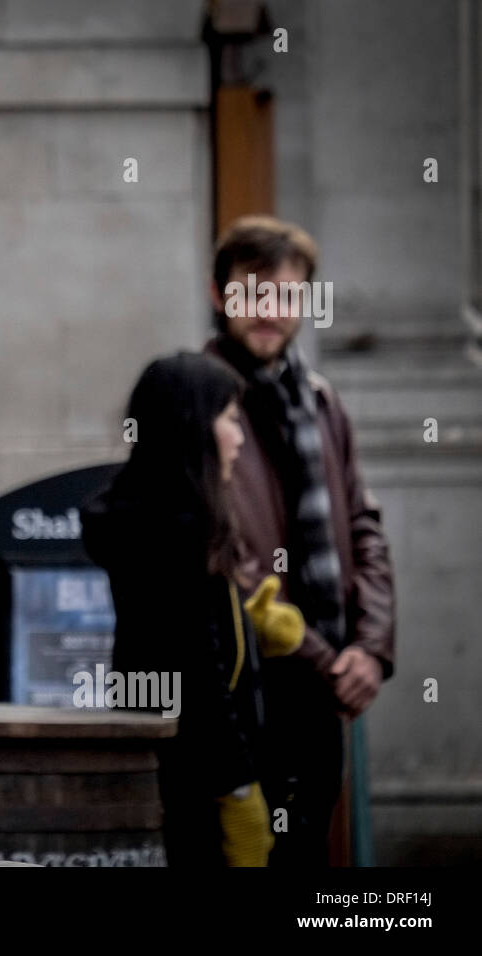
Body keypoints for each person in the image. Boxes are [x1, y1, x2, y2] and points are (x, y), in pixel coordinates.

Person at [205, 215, 396, 866]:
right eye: (252, 293)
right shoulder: (198, 399)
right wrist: (326, 659)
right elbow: (225, 552)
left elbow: (365, 529)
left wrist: (369, 650)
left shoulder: (319, 399)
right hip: (243, 688)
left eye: (285, 296)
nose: (269, 311)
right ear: (218, 295)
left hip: (324, 689)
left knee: (308, 849)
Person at [82, 352, 305, 866]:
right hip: (192, 789)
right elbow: (197, 676)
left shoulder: (170, 517)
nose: (240, 437)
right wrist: (239, 791)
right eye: (229, 419)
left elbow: (194, 636)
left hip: (186, 777)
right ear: (193, 428)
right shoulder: (171, 531)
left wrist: (249, 626)